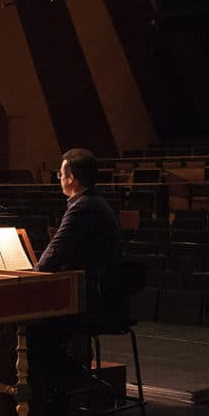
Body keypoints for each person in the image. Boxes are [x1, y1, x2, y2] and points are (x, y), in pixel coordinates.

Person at [28, 148, 122, 402]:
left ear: (71, 179)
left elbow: (52, 257)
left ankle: (49, 399)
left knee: (30, 327)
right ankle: (66, 385)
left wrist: (32, 273)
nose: (58, 178)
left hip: (93, 304)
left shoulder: (83, 207)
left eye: (60, 173)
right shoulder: (93, 202)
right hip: (103, 298)